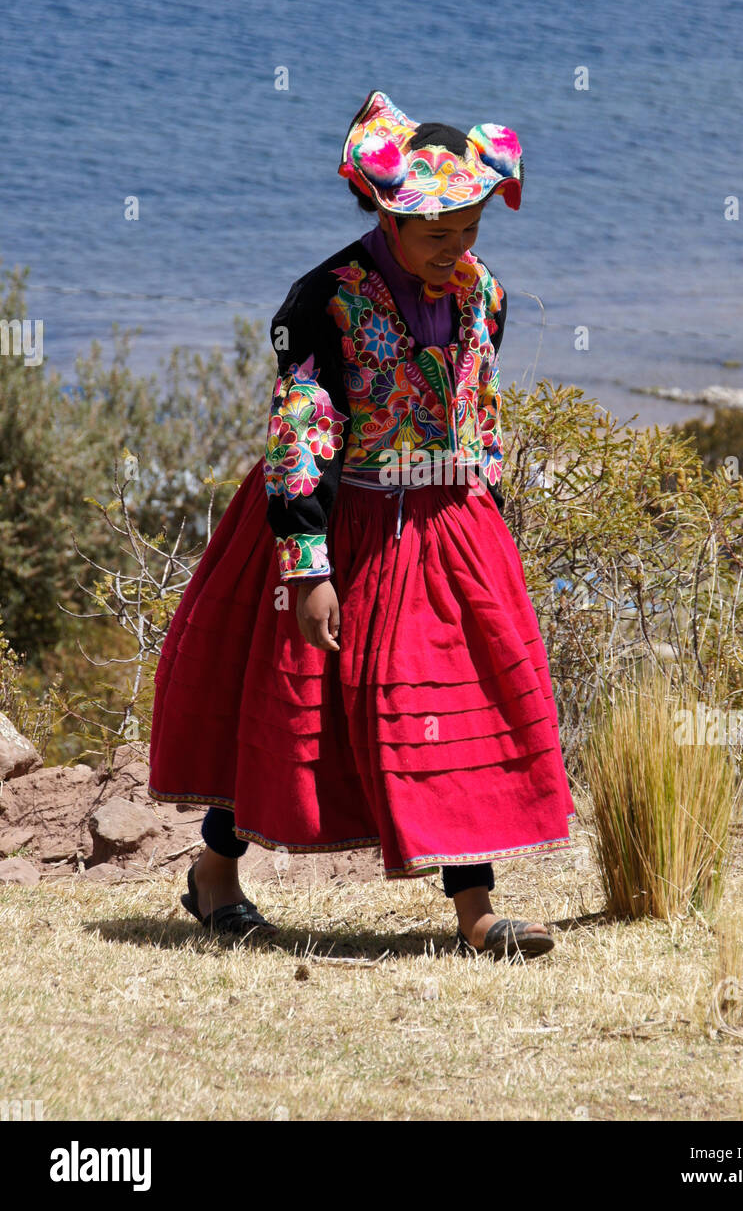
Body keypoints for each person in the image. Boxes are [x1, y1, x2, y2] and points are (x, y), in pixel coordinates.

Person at [148, 89, 576, 960]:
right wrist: (308, 567)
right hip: (347, 525)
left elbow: (480, 405)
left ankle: (476, 913)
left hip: (449, 526)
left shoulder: (481, 293)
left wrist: (486, 505)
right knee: (298, 711)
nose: (456, 248)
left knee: (461, 705)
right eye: (437, 234)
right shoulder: (323, 301)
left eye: (470, 228)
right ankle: (216, 875)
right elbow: (299, 426)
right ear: (384, 211)